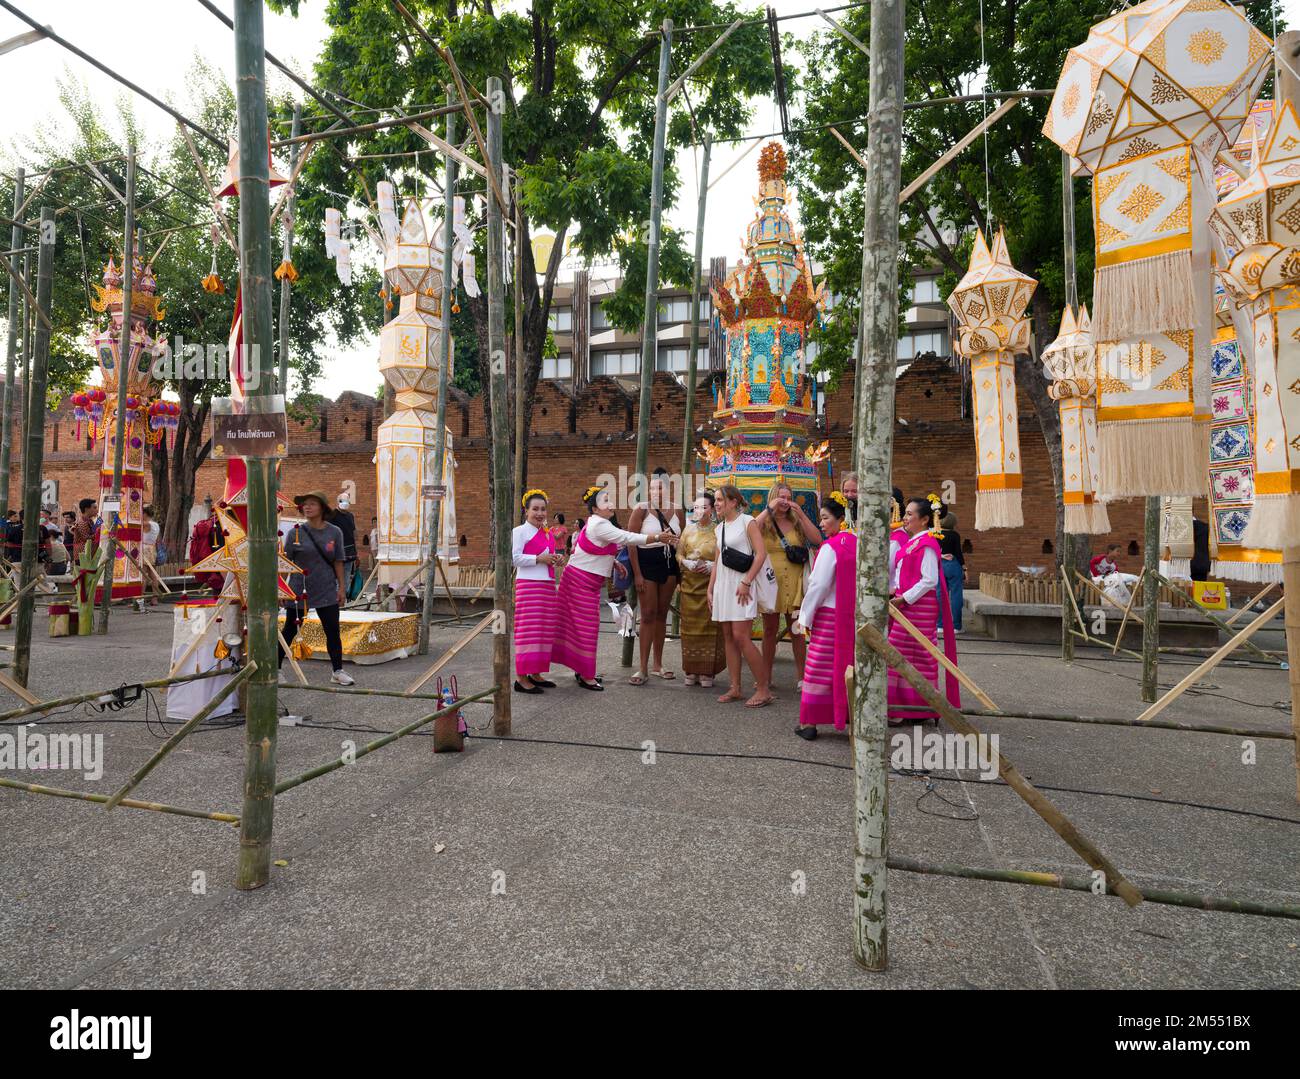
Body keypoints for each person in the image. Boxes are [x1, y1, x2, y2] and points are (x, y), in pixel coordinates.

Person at [552, 484, 676, 690]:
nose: (611, 504)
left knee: (580, 629)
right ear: (594, 509)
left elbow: (592, 550)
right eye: (605, 501)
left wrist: (615, 563)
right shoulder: (599, 524)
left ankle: (582, 670)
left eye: (610, 499)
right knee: (586, 629)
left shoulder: (595, 522)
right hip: (579, 582)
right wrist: (656, 537)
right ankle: (586, 675)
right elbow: (627, 538)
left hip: (583, 581)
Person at [887, 496, 960, 724]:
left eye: (910, 514)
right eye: (905, 513)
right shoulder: (913, 542)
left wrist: (903, 599)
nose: (905, 518)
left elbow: (929, 580)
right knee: (906, 656)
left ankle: (911, 708)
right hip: (907, 604)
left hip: (917, 607)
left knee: (907, 655)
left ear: (925, 519)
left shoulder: (928, 543)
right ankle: (911, 708)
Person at [793, 493, 856, 739]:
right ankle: (848, 717)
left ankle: (810, 723)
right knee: (848, 668)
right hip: (851, 617)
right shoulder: (857, 542)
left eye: (825, 518)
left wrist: (805, 617)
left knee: (818, 668)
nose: (821, 523)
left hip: (830, 617)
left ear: (841, 519)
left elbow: (817, 585)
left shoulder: (830, 546)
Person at [709, 483, 773, 707]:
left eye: (719, 500)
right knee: (728, 636)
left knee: (741, 636)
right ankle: (735, 687)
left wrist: (746, 582)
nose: (716, 504)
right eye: (715, 500)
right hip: (723, 586)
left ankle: (763, 689)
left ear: (734, 501)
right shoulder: (719, 528)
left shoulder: (748, 522)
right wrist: (711, 588)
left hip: (742, 583)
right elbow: (718, 561)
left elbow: (761, 554)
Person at [281, 490, 354, 686]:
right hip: (299, 588)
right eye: (305, 503)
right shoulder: (295, 532)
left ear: (322, 508)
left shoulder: (334, 532)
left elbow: (339, 561)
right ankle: (276, 668)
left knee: (332, 630)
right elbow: (284, 562)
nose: (307, 507)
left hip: (326, 588)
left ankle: (337, 671)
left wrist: (341, 588)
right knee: (290, 629)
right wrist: (280, 589)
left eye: (312, 503)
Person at [754, 482, 820, 689]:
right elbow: (749, 530)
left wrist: (801, 514)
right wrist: (768, 510)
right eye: (781, 497)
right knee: (769, 629)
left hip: (795, 580)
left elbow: (817, 539)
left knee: (797, 630)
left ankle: (802, 677)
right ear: (773, 498)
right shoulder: (764, 522)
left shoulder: (796, 521)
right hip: (771, 580)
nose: (785, 501)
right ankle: (765, 677)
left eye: (788, 497)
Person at [626, 467, 685, 685]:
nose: (655, 491)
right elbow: (631, 542)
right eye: (652, 487)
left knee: (662, 614)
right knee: (648, 614)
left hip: (669, 562)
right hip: (646, 562)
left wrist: (680, 574)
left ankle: (658, 664)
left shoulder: (678, 510)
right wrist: (638, 575)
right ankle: (642, 668)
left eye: (659, 487)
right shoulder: (641, 509)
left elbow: (683, 540)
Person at [512, 489, 563, 694]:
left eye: (543, 509)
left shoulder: (547, 533)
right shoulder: (519, 531)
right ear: (526, 511)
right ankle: (521, 677)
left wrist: (556, 558)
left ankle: (536, 673)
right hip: (528, 585)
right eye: (535, 509)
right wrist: (538, 559)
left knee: (543, 631)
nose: (540, 513)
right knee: (527, 631)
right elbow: (514, 558)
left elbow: (548, 556)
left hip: (546, 585)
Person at [677, 492, 726, 687]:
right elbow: (679, 554)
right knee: (689, 629)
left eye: (704, 507)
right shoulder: (687, 530)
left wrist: (712, 566)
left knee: (710, 628)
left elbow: (725, 555)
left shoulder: (719, 530)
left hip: (710, 585)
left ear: (712, 509)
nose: (699, 511)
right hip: (689, 585)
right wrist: (686, 563)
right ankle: (690, 669)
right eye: (696, 507)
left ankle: (708, 672)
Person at [936, 502, 965, 633]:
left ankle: (940, 625)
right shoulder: (955, 535)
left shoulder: (935, 534)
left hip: (939, 565)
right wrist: (964, 569)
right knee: (956, 595)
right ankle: (956, 626)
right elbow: (958, 553)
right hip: (953, 564)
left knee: (940, 595)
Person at [332, 496, 359, 598]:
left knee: (346, 579)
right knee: (336, 578)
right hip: (337, 553)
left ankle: (342, 600)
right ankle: (334, 601)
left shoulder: (350, 516)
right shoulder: (332, 515)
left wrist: (357, 554)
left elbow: (353, 534)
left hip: (350, 552)